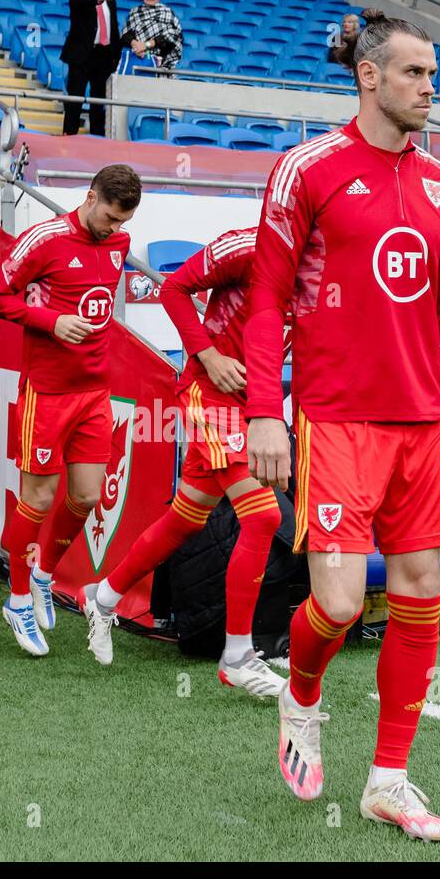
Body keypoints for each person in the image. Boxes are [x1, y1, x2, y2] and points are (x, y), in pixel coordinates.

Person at [245, 11, 440, 840]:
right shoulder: (306, 170)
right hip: (335, 419)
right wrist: (263, 412)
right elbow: (264, 306)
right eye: (415, 74)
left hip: (423, 425)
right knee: (343, 601)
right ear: (369, 76)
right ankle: (303, 694)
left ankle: (387, 780)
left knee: (423, 592)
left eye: (434, 75)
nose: (431, 88)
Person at [85, 229, 288, 697]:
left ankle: (104, 597)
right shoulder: (247, 245)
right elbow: (174, 288)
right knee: (264, 517)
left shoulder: (330, 267)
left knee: (185, 519)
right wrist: (208, 353)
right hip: (211, 393)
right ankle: (237, 657)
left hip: (255, 403)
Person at [0, 164, 140, 663]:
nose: (114, 230)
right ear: (90, 196)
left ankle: (46, 574)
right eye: (109, 218)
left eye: (122, 222)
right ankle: (18, 598)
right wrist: (52, 321)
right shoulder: (44, 239)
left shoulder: (117, 244)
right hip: (45, 393)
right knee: (38, 496)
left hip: (95, 393)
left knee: (88, 493)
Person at [60, 0, 122, 137]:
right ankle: (68, 137)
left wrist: (116, 56)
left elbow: (113, 27)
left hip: (103, 56)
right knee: (75, 100)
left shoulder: (110, 2)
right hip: (80, 56)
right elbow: (80, 0)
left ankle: (97, 139)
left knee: (98, 103)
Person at [121, 0, 183, 71]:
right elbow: (125, 36)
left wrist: (146, 45)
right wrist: (135, 45)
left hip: (160, 64)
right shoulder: (135, 11)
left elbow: (172, 38)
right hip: (135, 60)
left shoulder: (168, 13)